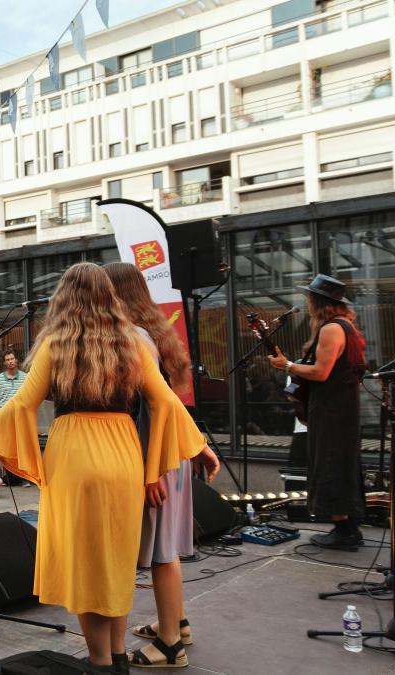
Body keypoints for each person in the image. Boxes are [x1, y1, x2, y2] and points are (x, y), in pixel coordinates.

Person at [0, 263, 206, 670]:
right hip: (123, 454)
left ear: (64, 298)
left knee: (86, 564)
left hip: (73, 456)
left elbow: (22, 404)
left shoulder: (56, 344)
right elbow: (166, 401)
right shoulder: (133, 342)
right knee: (115, 560)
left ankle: (101, 661)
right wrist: (196, 446)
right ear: (109, 295)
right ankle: (119, 656)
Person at [103, 261, 220, 668]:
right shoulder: (158, 334)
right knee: (164, 548)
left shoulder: (134, 339)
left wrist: (150, 473)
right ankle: (176, 622)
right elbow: (172, 402)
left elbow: (153, 411)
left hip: (158, 458)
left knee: (160, 553)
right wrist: (198, 445)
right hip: (174, 454)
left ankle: (170, 645)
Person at [268, 274, 367, 550]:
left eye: (310, 298)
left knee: (330, 464)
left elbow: (321, 372)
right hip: (341, 408)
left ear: (319, 302)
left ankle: (344, 531)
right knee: (339, 464)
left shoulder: (332, 329)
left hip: (332, 410)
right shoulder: (347, 326)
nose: (307, 303)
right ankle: (349, 528)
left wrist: (287, 366)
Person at [0, 349, 26, 414]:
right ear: (4, 363)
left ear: (16, 360)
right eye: (7, 360)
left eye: (12, 359)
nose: (10, 361)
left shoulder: (25, 377)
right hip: (3, 414)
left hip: (20, 413)